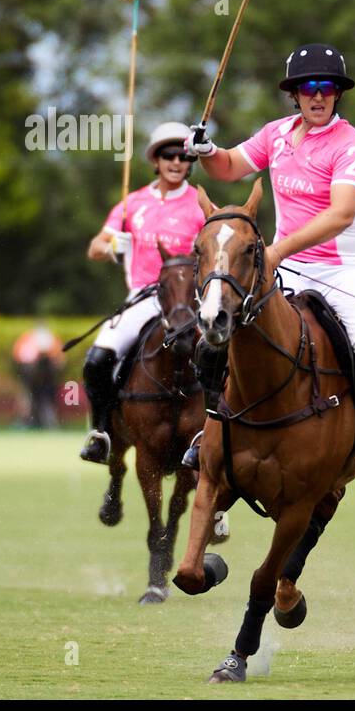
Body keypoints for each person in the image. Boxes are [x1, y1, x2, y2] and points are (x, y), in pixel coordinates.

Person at [183, 43, 355, 497]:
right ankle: (213, 432)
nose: (317, 96)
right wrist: (207, 150)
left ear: (337, 94)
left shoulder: (352, 146)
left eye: (326, 88)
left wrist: (276, 251)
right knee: (213, 340)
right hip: (287, 267)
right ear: (295, 95)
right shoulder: (277, 135)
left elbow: (340, 214)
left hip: (350, 271)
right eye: (308, 88)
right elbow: (228, 168)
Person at [79, 121, 206, 463]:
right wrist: (110, 247)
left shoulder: (199, 204)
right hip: (144, 298)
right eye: (169, 155)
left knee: (221, 358)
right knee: (97, 360)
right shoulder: (132, 203)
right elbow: (94, 247)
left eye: (183, 155)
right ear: (156, 159)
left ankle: (216, 435)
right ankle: (102, 431)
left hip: (189, 302)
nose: (176, 162)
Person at [12, 321, 63, 428]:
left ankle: (41, 422)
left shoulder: (29, 338)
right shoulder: (33, 338)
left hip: (41, 377)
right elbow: (59, 360)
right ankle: (32, 421)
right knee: (31, 398)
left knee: (38, 398)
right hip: (33, 377)